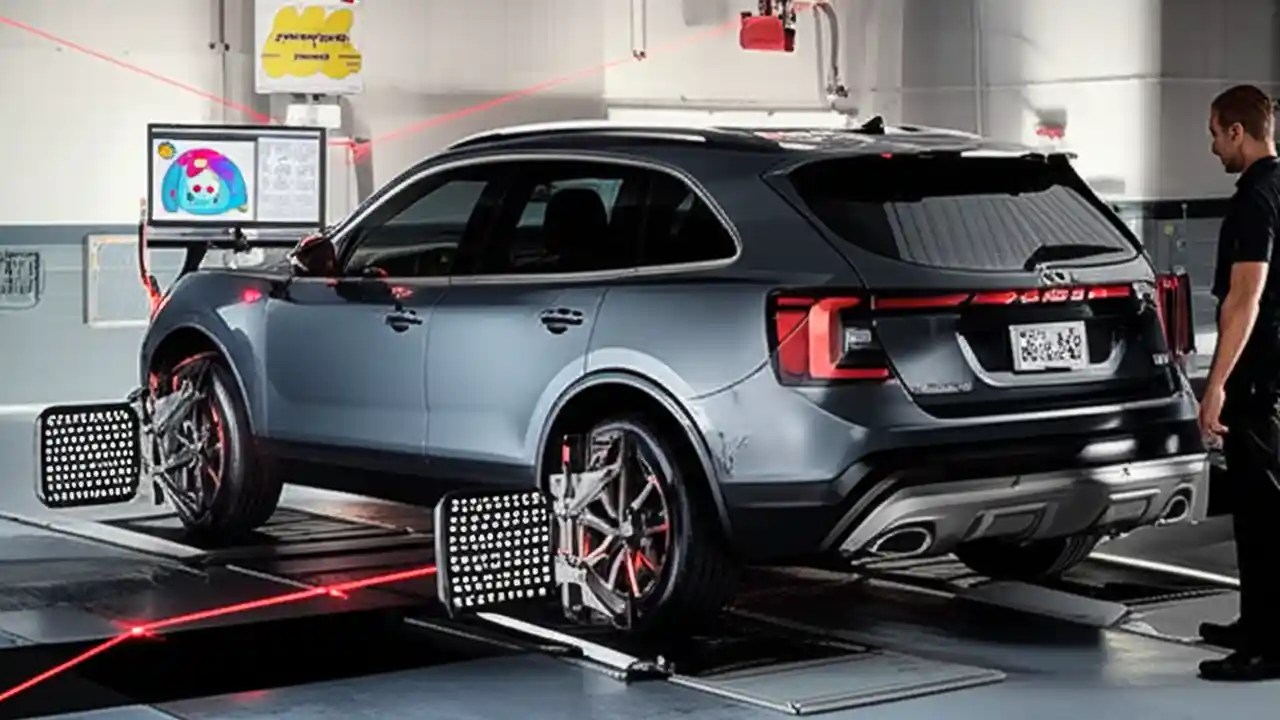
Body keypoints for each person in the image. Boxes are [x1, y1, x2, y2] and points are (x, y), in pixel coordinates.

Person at [1196, 83, 1280, 681]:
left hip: (1255, 377)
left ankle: (1269, 648)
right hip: (1272, 368)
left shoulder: (1255, 199)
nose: (1212, 145)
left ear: (1237, 131)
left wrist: (1217, 383)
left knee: (1263, 515)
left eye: (1214, 131)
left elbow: (1245, 298)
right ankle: (1255, 624)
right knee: (1258, 513)